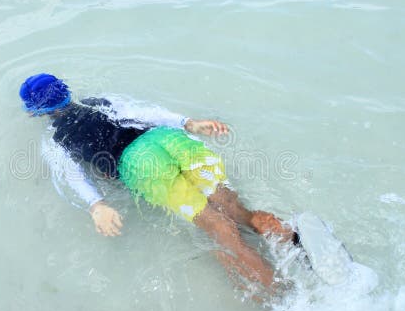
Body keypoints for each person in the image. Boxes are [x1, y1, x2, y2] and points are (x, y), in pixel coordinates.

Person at [21, 73, 295, 291]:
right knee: (237, 211)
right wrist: (188, 123)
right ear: (66, 91)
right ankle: (296, 245)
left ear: (35, 112)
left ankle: (283, 297)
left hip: (140, 165)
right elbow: (143, 112)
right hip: (168, 139)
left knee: (219, 229)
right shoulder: (100, 101)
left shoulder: (54, 139)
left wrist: (96, 205)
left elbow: (72, 176)